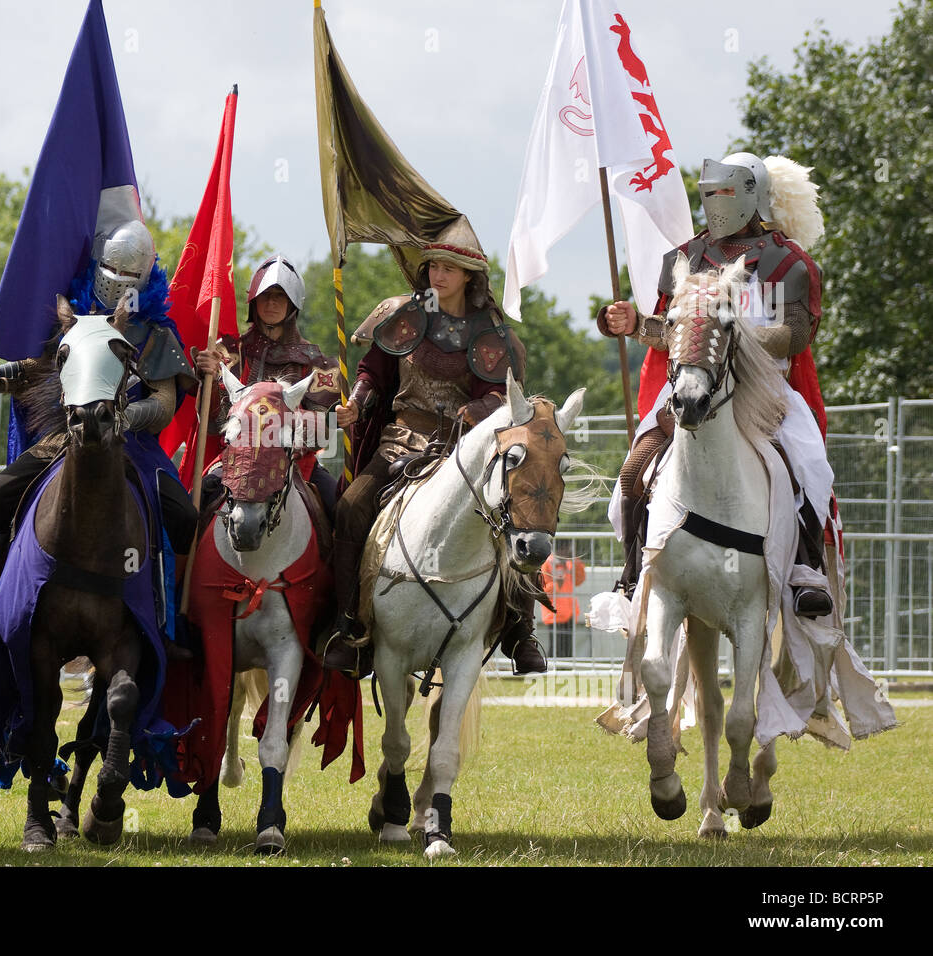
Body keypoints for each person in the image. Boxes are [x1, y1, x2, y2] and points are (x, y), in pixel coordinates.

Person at [599, 152, 833, 618]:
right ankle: (632, 574)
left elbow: (796, 334)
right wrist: (632, 324)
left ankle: (807, 568)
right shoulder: (686, 258)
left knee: (807, 463)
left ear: (754, 195)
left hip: (763, 391)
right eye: (710, 194)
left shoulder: (788, 262)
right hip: (693, 384)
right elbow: (669, 330)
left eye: (726, 192)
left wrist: (736, 338)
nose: (717, 203)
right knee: (634, 471)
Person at [0, 218, 198, 650]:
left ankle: (166, 617)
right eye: (115, 272)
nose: (121, 282)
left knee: (182, 515)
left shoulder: (156, 333)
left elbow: (163, 403)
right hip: (66, 439)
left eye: (132, 275)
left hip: (131, 445)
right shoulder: (74, 322)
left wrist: (123, 417)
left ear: (146, 276)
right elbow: (37, 371)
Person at [320, 219, 546, 677]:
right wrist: (357, 405)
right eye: (433, 267)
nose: (436, 276)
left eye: (448, 268)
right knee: (350, 506)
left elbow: (501, 393)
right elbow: (373, 372)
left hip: (463, 450)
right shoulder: (404, 315)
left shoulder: (489, 331)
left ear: (468, 276)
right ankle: (349, 627)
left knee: (512, 516)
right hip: (400, 439)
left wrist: (478, 408)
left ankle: (521, 631)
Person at [188, 254, 342, 519]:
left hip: (297, 463)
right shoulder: (228, 353)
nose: (271, 302)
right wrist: (208, 379)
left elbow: (321, 433)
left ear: (293, 303)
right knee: (191, 509)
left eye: (280, 296)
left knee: (341, 509)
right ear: (253, 301)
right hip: (236, 461)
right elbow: (214, 424)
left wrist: (278, 428)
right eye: (266, 295)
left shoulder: (318, 363)